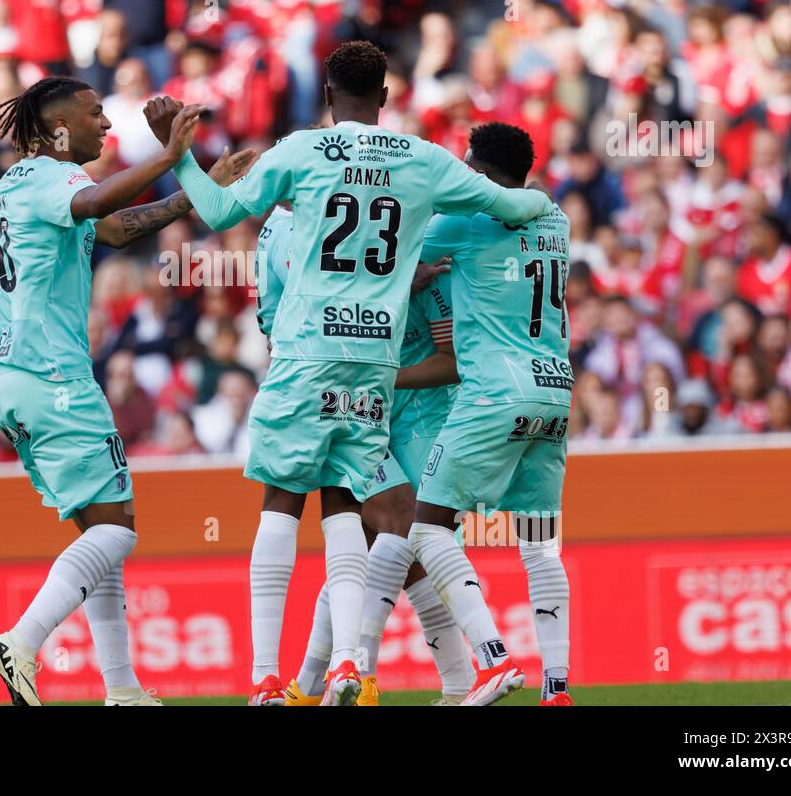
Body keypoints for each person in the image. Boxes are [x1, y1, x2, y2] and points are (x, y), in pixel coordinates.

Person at [163, 41, 552, 705]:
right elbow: (516, 209)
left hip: (307, 351)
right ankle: (346, 662)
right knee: (347, 501)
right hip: (375, 361)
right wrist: (541, 213)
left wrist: (179, 158)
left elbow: (222, 211)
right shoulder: (424, 160)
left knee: (283, 500)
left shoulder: (300, 151)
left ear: (325, 96)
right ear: (387, 98)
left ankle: (265, 675)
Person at [0, 77, 254, 707]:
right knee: (118, 534)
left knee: (100, 532)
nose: (106, 126)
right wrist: (169, 154)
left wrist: (199, 186)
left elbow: (119, 228)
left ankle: (123, 690)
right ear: (58, 128)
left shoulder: (16, 186)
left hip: (10, 378)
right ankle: (21, 642)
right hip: (54, 378)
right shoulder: (53, 178)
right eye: (96, 114)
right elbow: (102, 206)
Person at [260, 207, 474, 707]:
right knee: (399, 529)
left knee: (393, 545)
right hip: (349, 410)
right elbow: (278, 328)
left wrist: (380, 372)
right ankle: (362, 673)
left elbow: (452, 360)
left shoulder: (421, 249)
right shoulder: (286, 234)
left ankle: (315, 681)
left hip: (417, 419)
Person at [412, 121, 575, 707]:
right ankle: (558, 689)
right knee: (538, 544)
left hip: (494, 393)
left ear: (478, 172)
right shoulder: (556, 219)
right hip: (555, 392)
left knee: (426, 524)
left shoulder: (462, 223)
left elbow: (386, 262)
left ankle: (492, 661)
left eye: (465, 164)